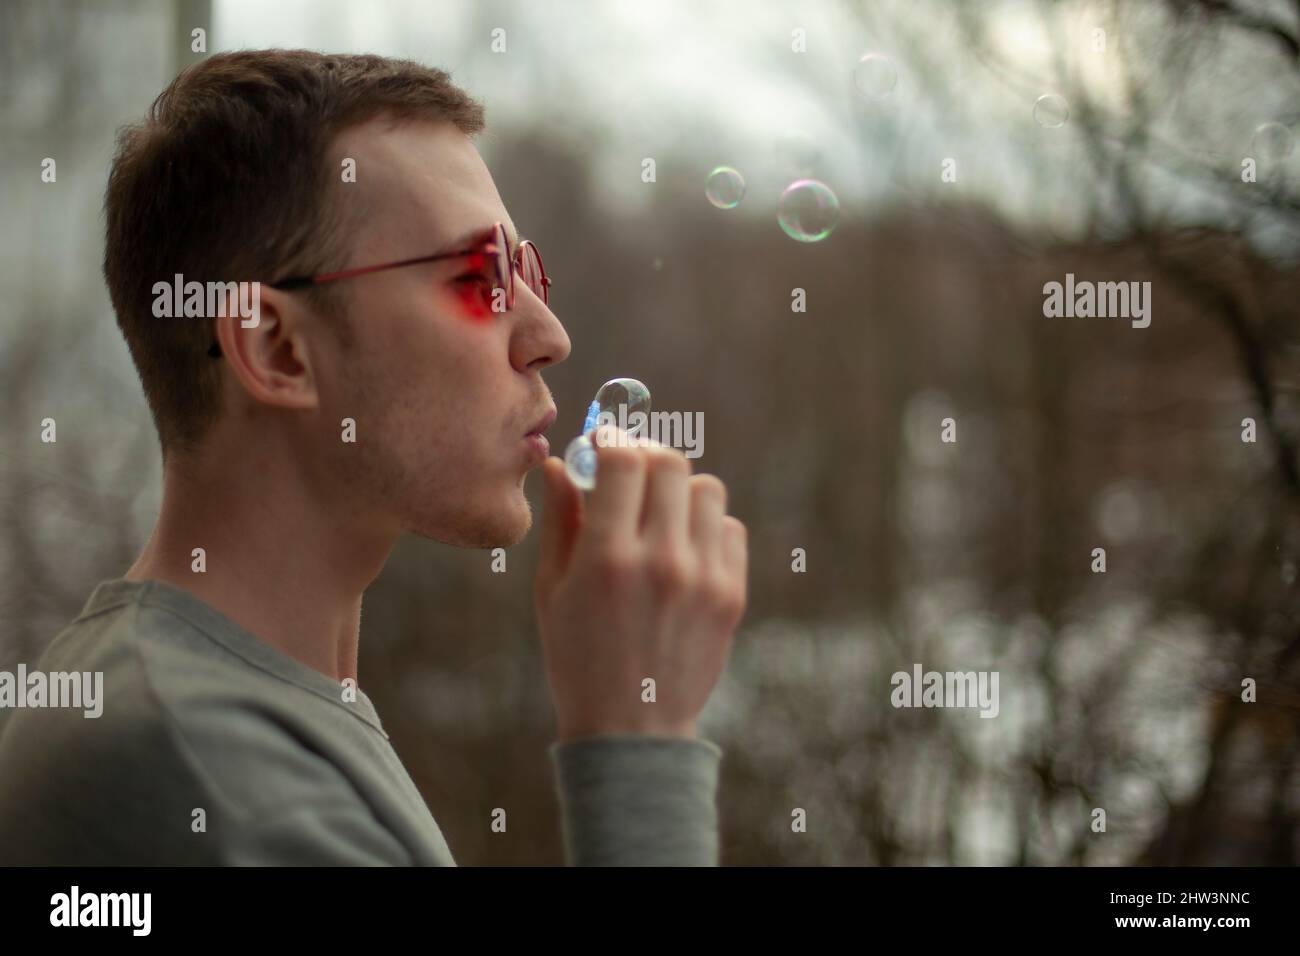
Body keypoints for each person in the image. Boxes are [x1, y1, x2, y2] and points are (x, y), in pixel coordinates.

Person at [0, 50, 747, 865]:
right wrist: (639, 747)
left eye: (528, 272)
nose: (548, 337)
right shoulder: (206, 774)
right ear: (277, 348)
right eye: (481, 277)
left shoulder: (246, 710)